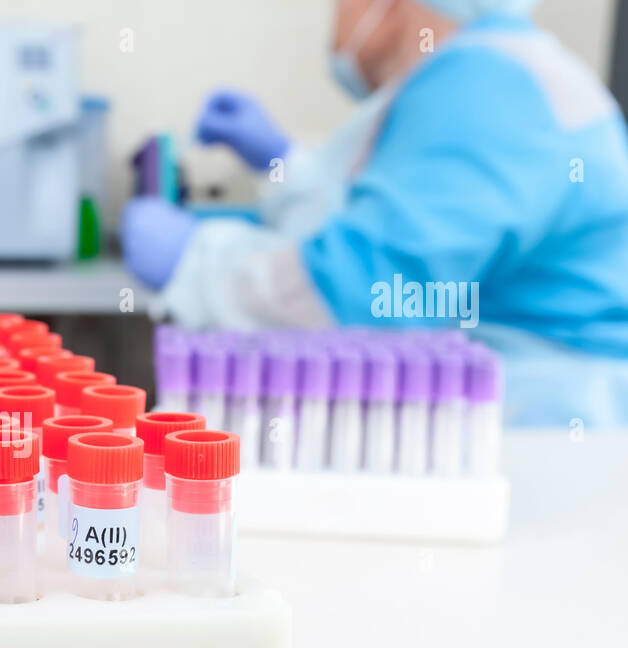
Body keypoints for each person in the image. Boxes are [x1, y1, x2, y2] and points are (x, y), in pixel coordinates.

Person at [121, 0, 628, 426]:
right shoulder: (492, 69)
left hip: (543, 426)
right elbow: (364, 223)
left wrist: (198, 264)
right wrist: (281, 165)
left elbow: (363, 296)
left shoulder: (482, 90)